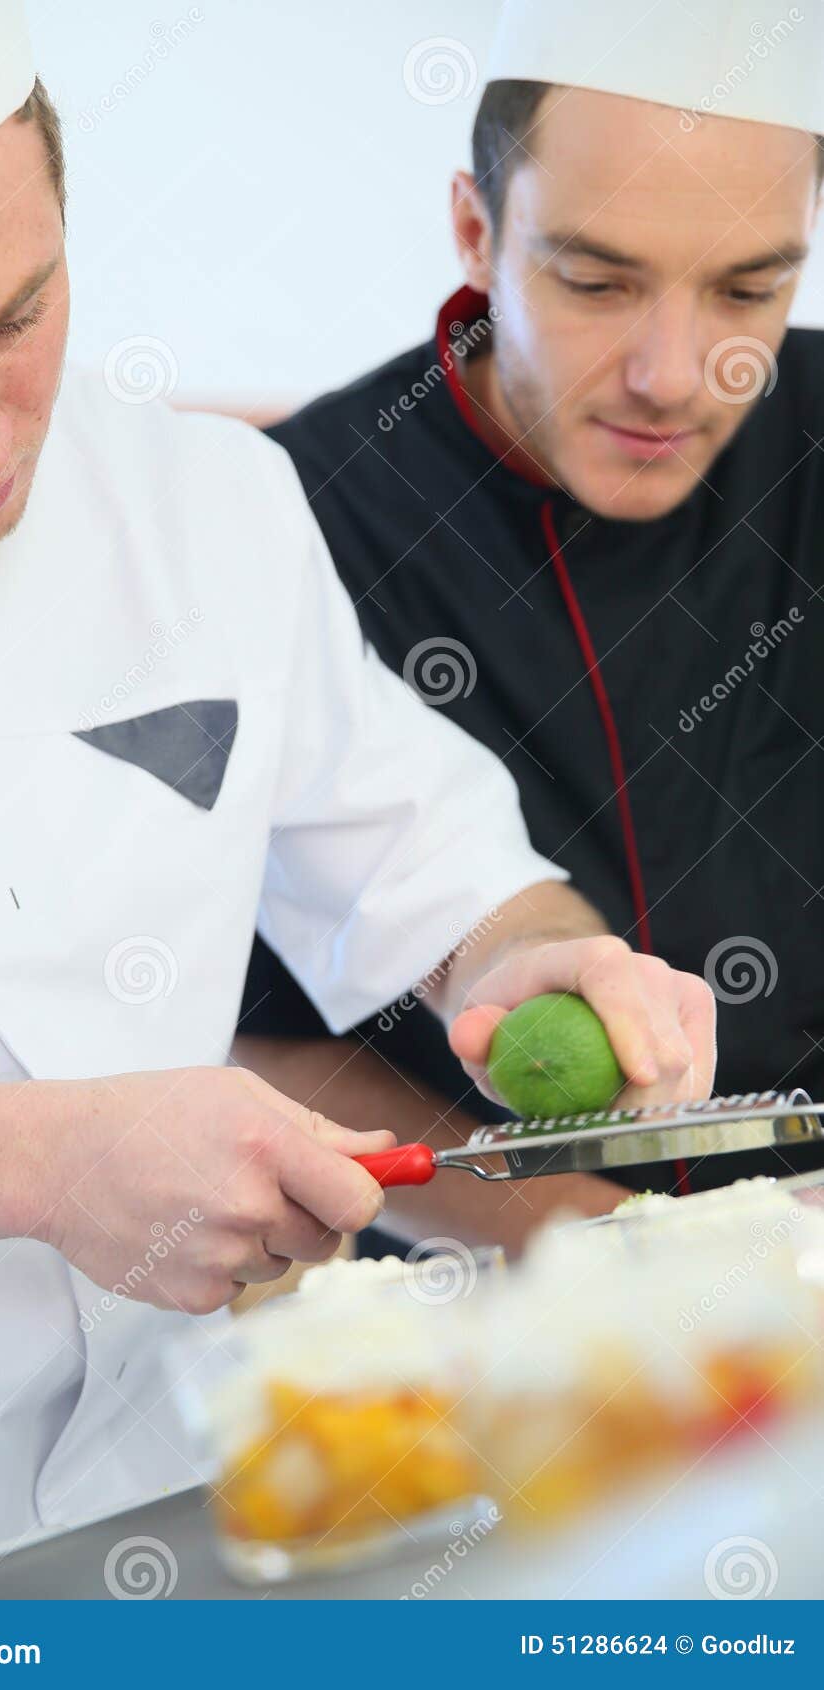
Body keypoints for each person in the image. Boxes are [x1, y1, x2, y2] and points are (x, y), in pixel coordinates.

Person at [0, 3, 711, 1596]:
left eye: (20, 313)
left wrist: (528, 957)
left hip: (183, 1509)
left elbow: (424, 863)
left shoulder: (208, 500)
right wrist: (27, 1163)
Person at [237, 0, 824, 1242]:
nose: (672, 373)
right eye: (596, 281)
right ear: (473, 229)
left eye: (746, 287)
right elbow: (254, 1038)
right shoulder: (294, 516)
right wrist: (588, 1242)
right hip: (493, 1297)